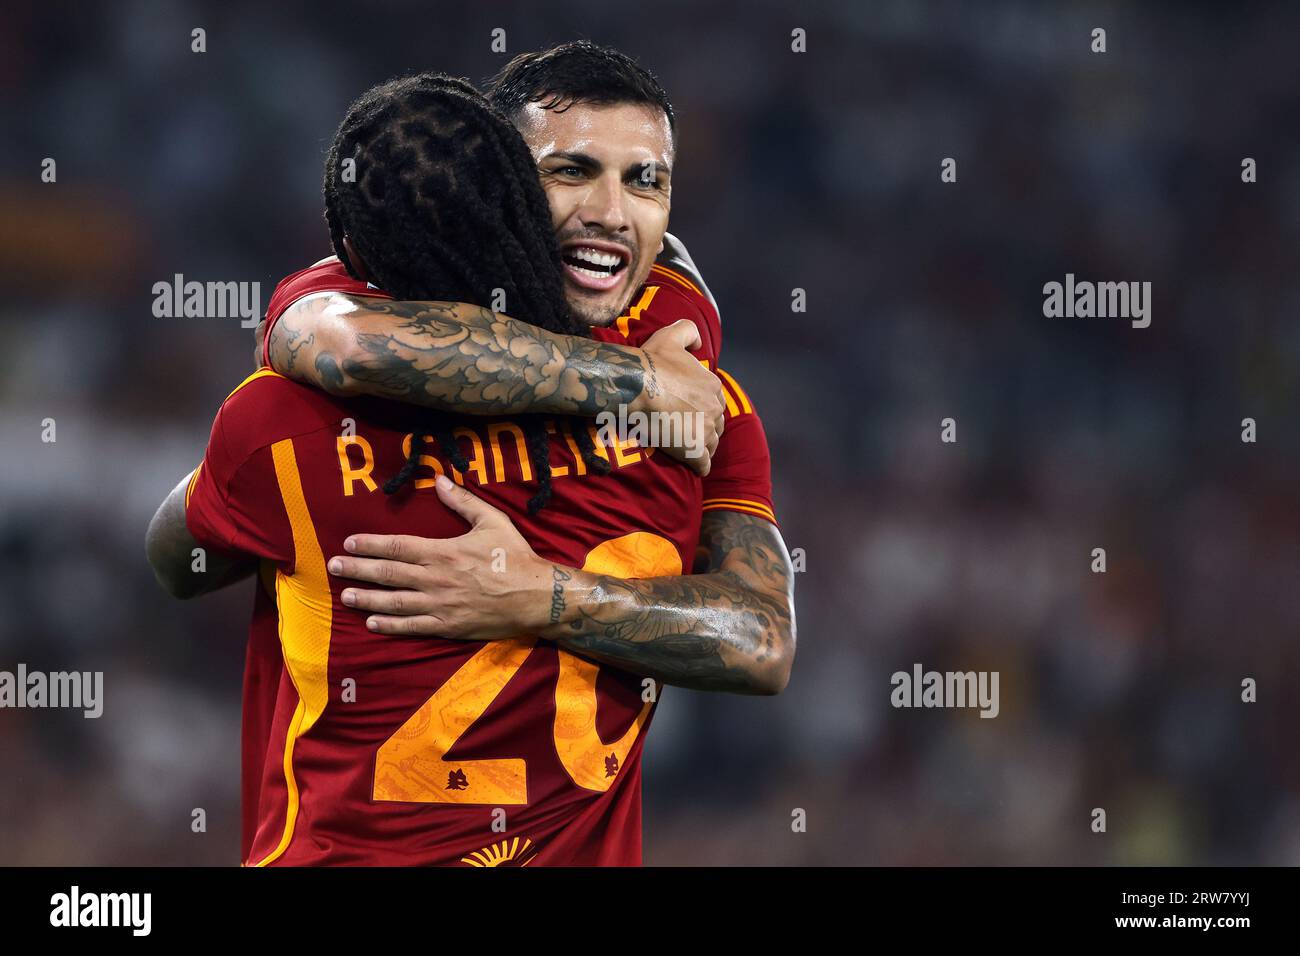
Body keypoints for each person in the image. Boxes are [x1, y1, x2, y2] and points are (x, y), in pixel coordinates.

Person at [147, 69, 794, 866]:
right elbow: (758, 642)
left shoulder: (281, 422)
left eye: (645, 181)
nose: (610, 213)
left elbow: (178, 556)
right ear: (500, 180)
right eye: (571, 171)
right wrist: (645, 382)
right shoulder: (693, 405)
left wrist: (538, 597)